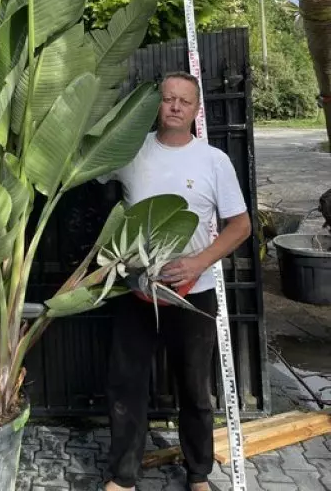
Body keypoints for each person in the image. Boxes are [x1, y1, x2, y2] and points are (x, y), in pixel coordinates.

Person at [101, 71, 251, 491]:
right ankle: (123, 477)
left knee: (195, 388)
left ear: (196, 109)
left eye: (184, 101)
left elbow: (240, 226)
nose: (175, 106)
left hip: (193, 294)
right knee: (126, 385)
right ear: (157, 104)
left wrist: (198, 263)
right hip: (136, 290)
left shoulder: (213, 160)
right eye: (168, 98)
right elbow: (87, 170)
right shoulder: (131, 152)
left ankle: (198, 474)